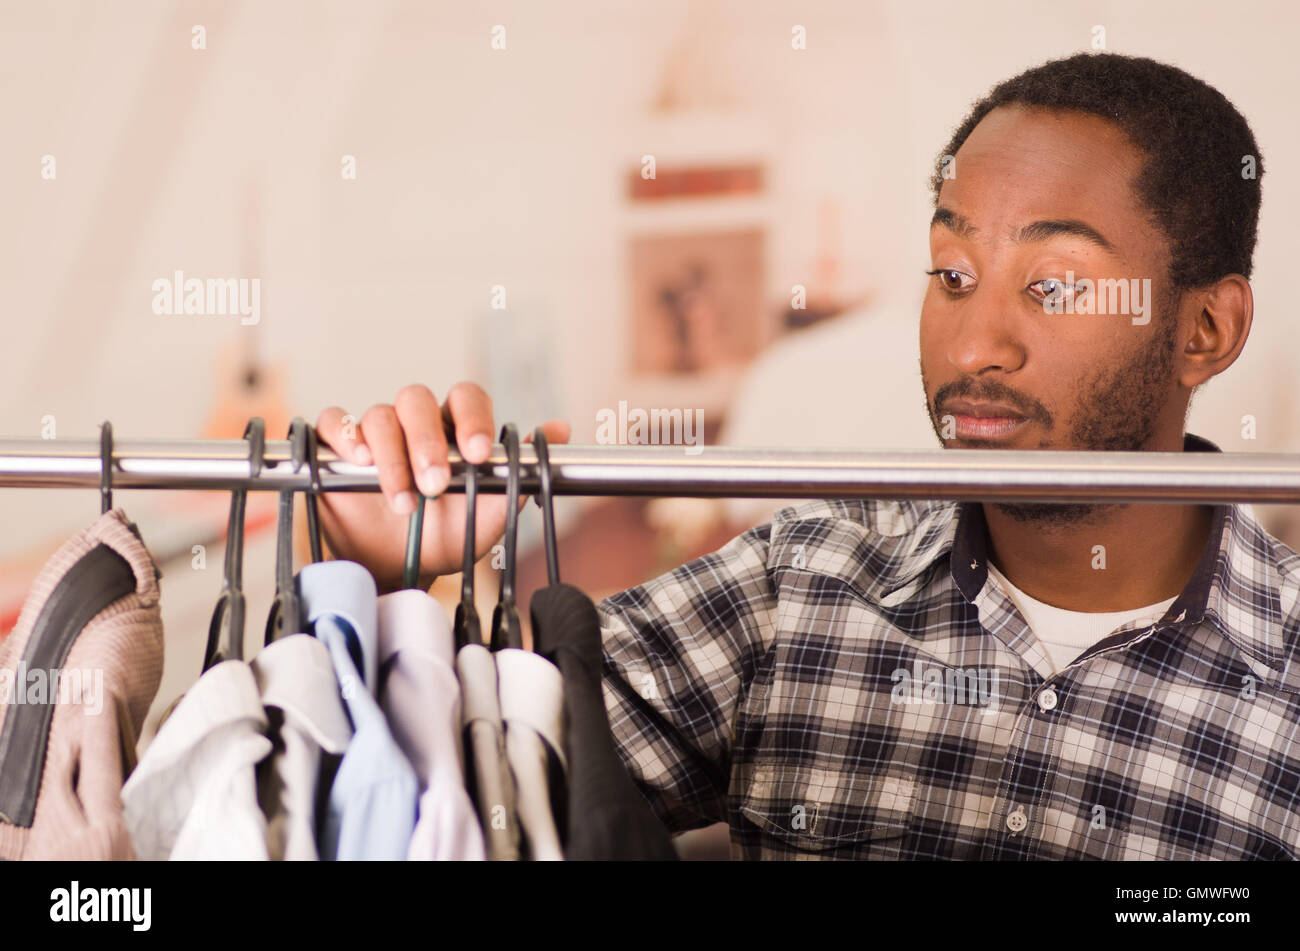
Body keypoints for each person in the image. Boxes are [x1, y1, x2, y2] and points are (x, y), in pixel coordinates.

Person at [313, 53, 1295, 859]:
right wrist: (371, 568)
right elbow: (453, 809)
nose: (973, 345)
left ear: (1205, 328)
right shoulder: (799, 584)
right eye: (952, 273)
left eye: (1054, 286)